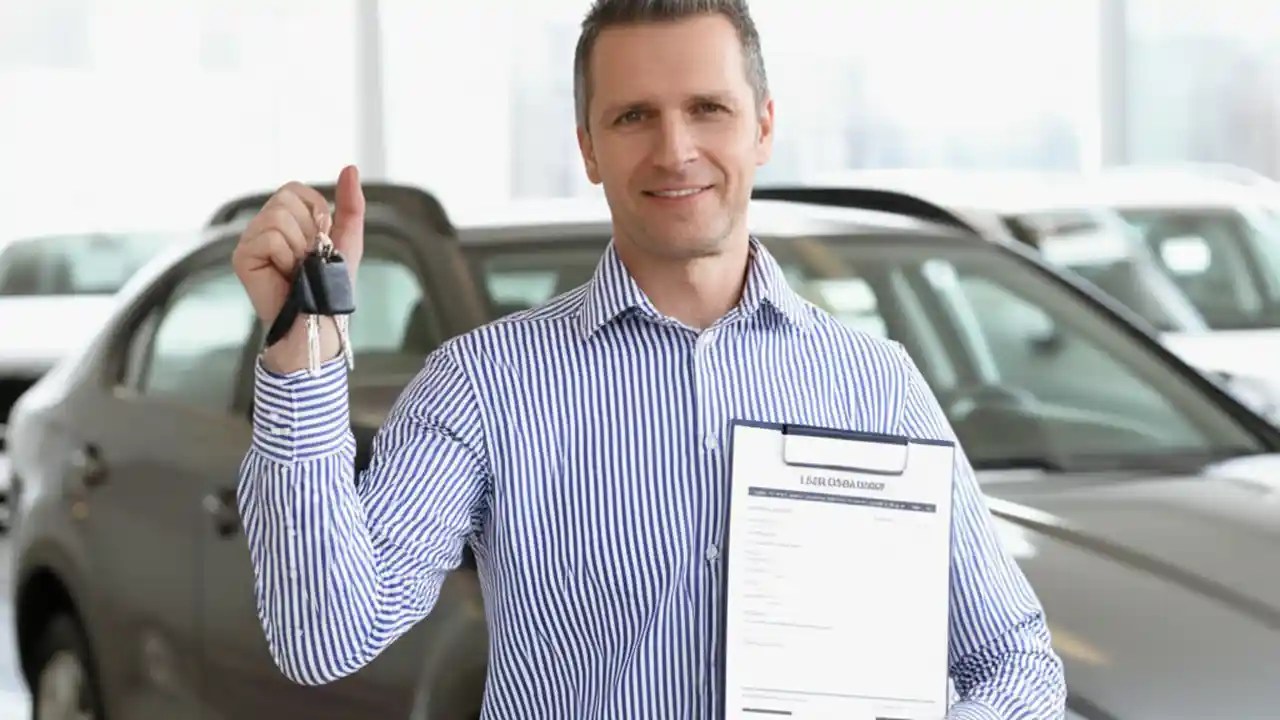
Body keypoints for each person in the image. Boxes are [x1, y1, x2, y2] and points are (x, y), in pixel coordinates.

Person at [230, 0, 1067, 717]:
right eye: (634, 117)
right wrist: (304, 351)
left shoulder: (873, 386)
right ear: (589, 147)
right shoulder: (485, 385)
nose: (674, 150)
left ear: (763, 127)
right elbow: (323, 636)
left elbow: (1015, 661)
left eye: (708, 108)